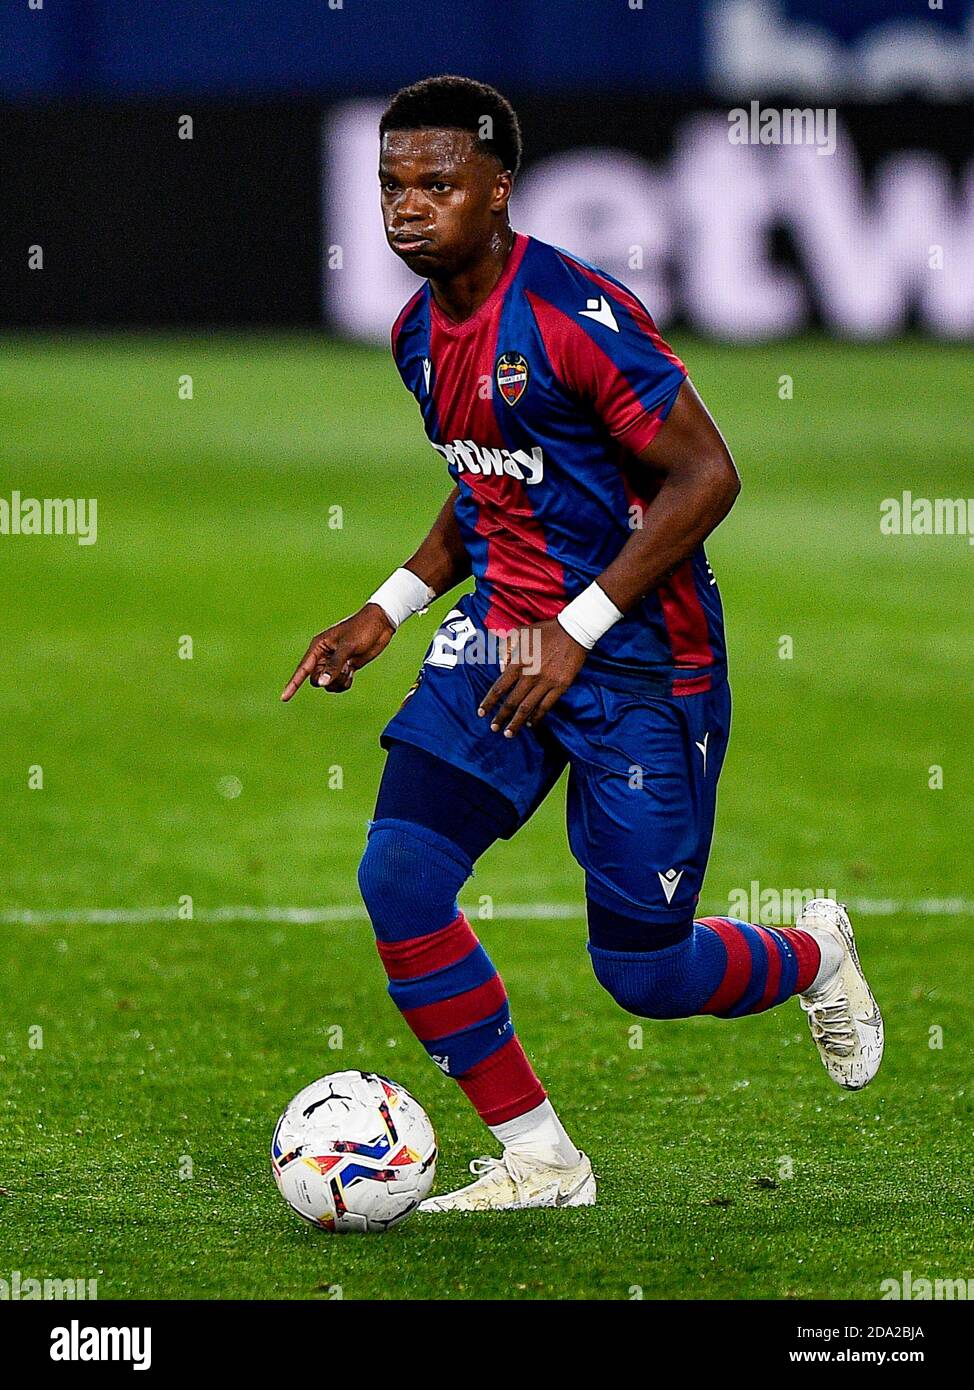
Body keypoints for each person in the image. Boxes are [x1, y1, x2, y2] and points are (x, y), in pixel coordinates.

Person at [282, 75, 883, 1213]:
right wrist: (389, 605)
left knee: (644, 974)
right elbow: (493, 489)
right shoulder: (418, 335)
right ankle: (542, 1161)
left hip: (642, 669)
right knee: (400, 876)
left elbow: (707, 475)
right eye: (390, 185)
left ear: (497, 190)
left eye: (437, 184)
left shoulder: (568, 316)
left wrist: (578, 627)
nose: (406, 208)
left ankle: (811, 954)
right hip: (500, 644)